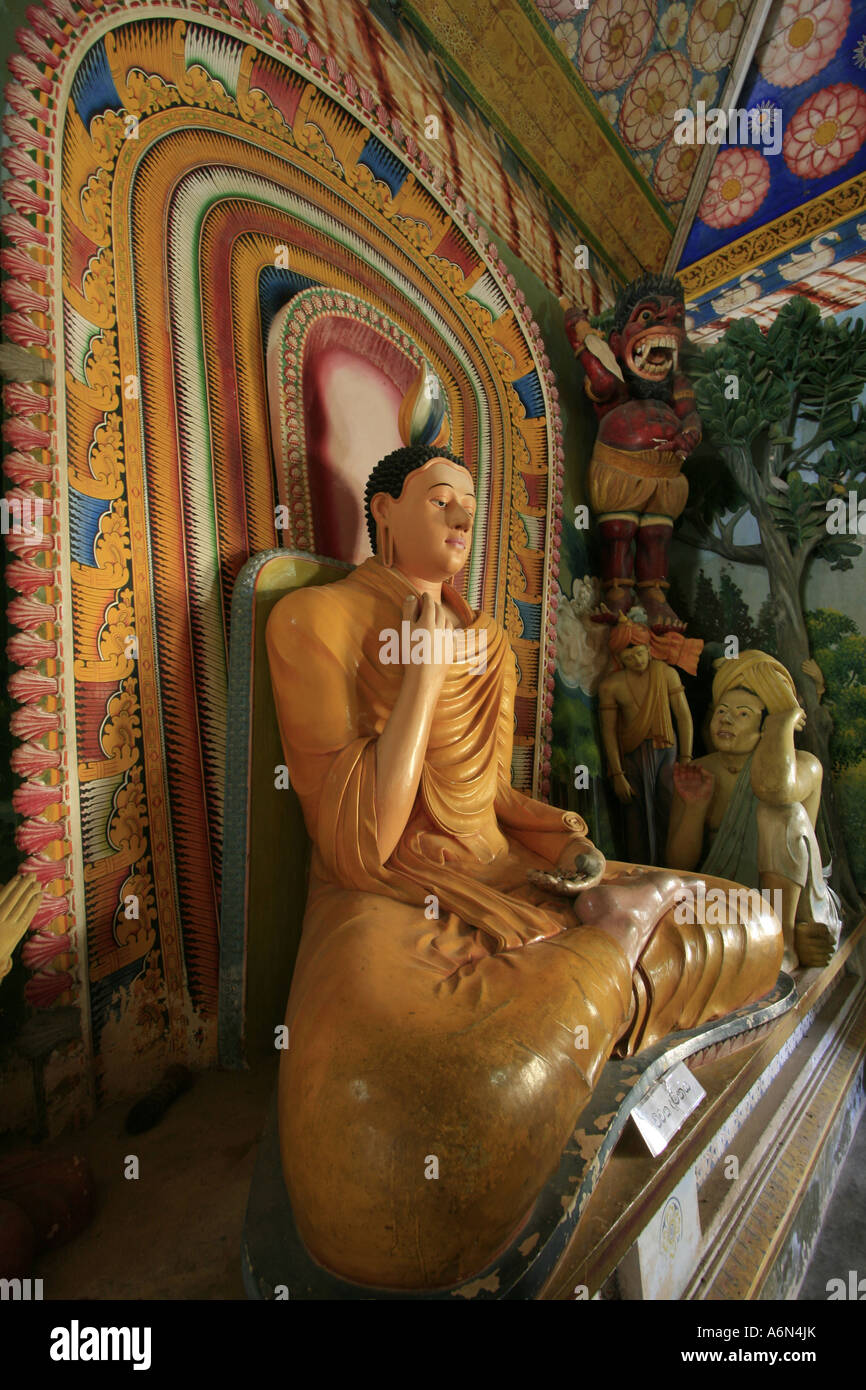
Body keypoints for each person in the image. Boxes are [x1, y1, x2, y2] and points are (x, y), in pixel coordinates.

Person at [265, 444, 782, 1291]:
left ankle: (599, 957)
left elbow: (492, 795)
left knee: (747, 920)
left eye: (470, 501)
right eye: (439, 499)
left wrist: (565, 844)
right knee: (392, 1141)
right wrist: (423, 679)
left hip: (506, 871)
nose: (462, 515)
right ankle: (615, 951)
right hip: (390, 903)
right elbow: (357, 846)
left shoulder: (486, 639)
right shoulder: (314, 622)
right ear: (384, 513)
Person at [666, 650, 841, 973]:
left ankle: (783, 943)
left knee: (778, 813)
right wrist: (695, 808)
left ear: (766, 727)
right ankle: (745, 934)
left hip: (789, 908)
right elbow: (678, 866)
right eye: (722, 711)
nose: (726, 720)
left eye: (743, 714)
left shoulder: (804, 767)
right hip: (723, 902)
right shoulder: (701, 770)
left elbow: (774, 789)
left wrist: (784, 718)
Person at [598, 615, 701, 863]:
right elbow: (609, 733)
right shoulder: (611, 686)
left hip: (668, 752)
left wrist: (686, 758)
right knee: (635, 816)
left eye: (640, 653)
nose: (637, 660)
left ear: (649, 650)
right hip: (632, 758)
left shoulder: (665, 674)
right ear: (619, 658)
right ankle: (638, 871)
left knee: (670, 810)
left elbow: (684, 717)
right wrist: (617, 774)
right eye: (629, 656)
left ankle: (672, 868)